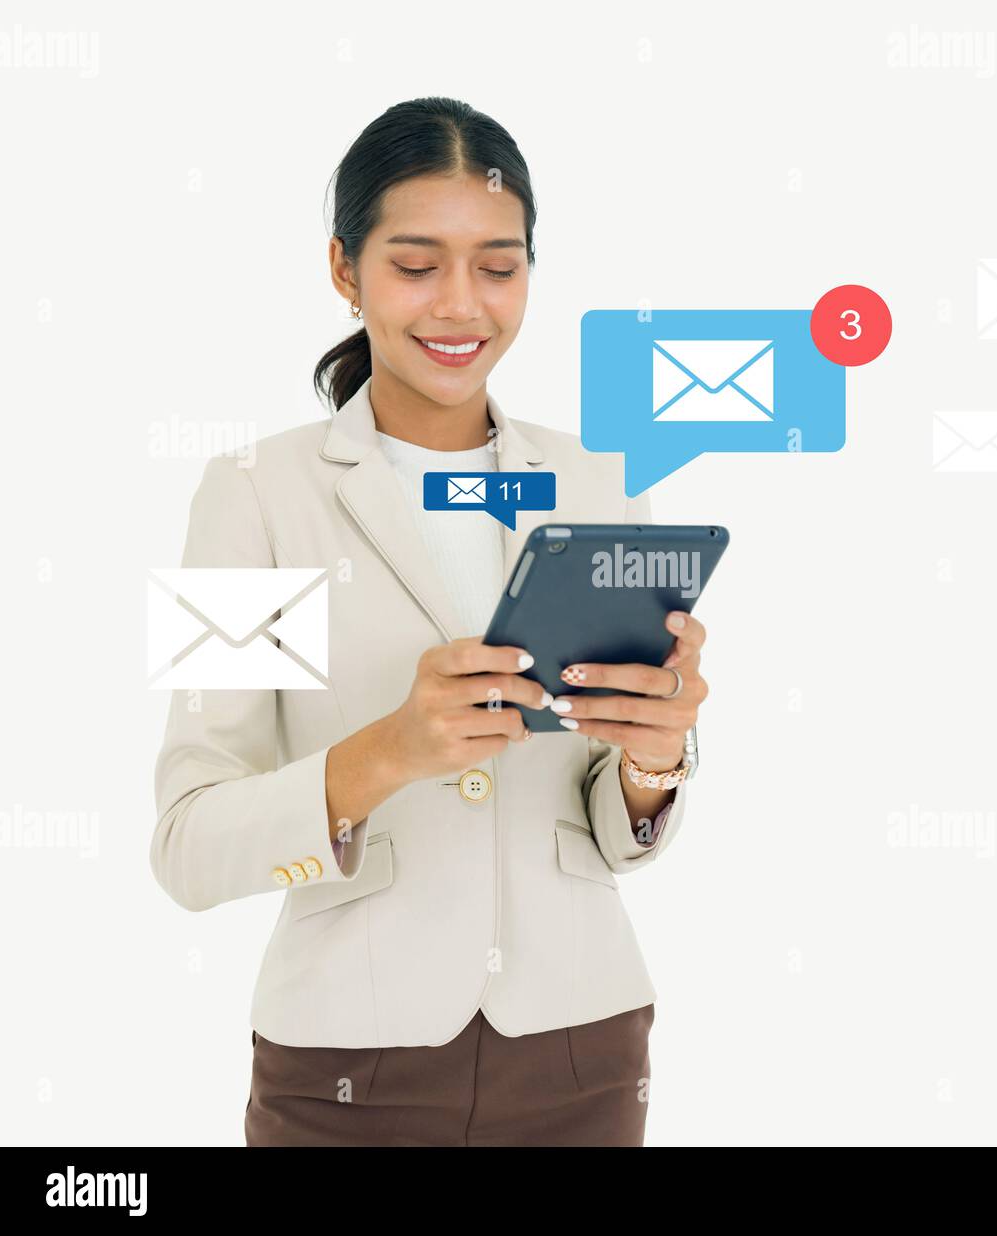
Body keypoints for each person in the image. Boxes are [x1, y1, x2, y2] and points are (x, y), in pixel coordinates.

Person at [150, 96, 711, 1147]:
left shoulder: (595, 482)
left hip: (581, 1049)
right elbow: (188, 843)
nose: (462, 304)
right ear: (342, 269)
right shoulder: (254, 494)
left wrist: (652, 764)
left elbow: (606, 826)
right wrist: (385, 753)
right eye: (415, 265)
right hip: (344, 1069)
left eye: (498, 267)